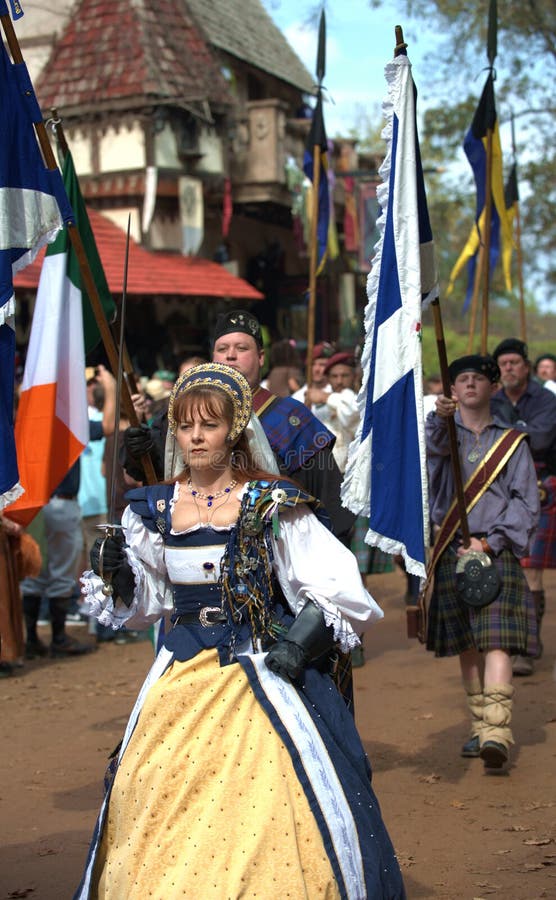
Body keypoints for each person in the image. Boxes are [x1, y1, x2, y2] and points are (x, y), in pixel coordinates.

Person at [76, 363, 405, 899]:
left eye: (209, 425)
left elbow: (335, 585)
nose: (196, 437)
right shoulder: (154, 508)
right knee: (158, 792)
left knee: (269, 798)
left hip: (259, 669)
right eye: (185, 426)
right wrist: (117, 573)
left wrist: (299, 644)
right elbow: (145, 604)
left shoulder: (270, 502)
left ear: (234, 429)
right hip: (178, 677)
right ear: (175, 433)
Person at [426, 354, 540, 770]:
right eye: (462, 380)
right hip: (451, 549)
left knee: (498, 640)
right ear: (452, 391)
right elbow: (433, 453)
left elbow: (525, 501)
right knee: (467, 645)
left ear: (494, 387)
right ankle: (478, 727)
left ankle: (497, 730)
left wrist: (489, 543)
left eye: (479, 378)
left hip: (495, 551)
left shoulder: (513, 442)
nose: (470, 384)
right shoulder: (440, 437)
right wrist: (440, 419)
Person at [491, 338, 556, 676]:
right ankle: (508, 638)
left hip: (541, 485)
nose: (509, 368)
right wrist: (520, 433)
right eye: (503, 364)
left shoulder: (545, 399)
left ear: (526, 366)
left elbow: (542, 440)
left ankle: (527, 646)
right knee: (504, 566)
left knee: (531, 569)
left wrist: (503, 433)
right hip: (499, 490)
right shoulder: (492, 399)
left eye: (515, 362)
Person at [305, 351, 359, 474]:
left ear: (354, 377)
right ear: (328, 379)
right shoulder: (318, 401)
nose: (339, 381)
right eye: (334, 376)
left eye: (344, 376)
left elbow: (351, 414)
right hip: (324, 472)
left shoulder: (356, 400)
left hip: (350, 474)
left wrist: (326, 398)